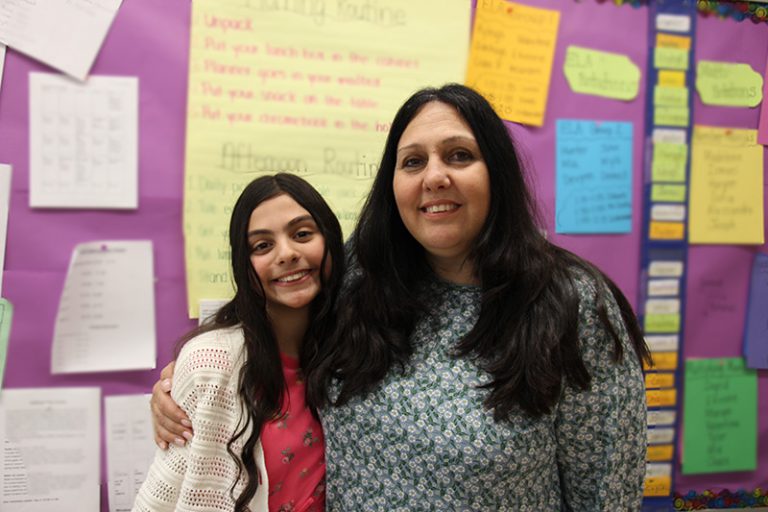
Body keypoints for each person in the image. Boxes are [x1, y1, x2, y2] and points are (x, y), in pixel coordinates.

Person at [152, 84, 651, 510]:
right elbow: (261, 319)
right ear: (393, 184)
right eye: (413, 161)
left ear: (496, 171)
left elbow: (606, 492)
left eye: (459, 155)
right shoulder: (359, 279)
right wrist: (186, 374)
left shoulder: (572, 303)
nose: (435, 176)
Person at [134, 173, 345, 512]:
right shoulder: (213, 361)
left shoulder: (351, 347)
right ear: (243, 267)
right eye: (262, 246)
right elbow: (165, 495)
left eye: (302, 234)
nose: (287, 253)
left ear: (331, 241)